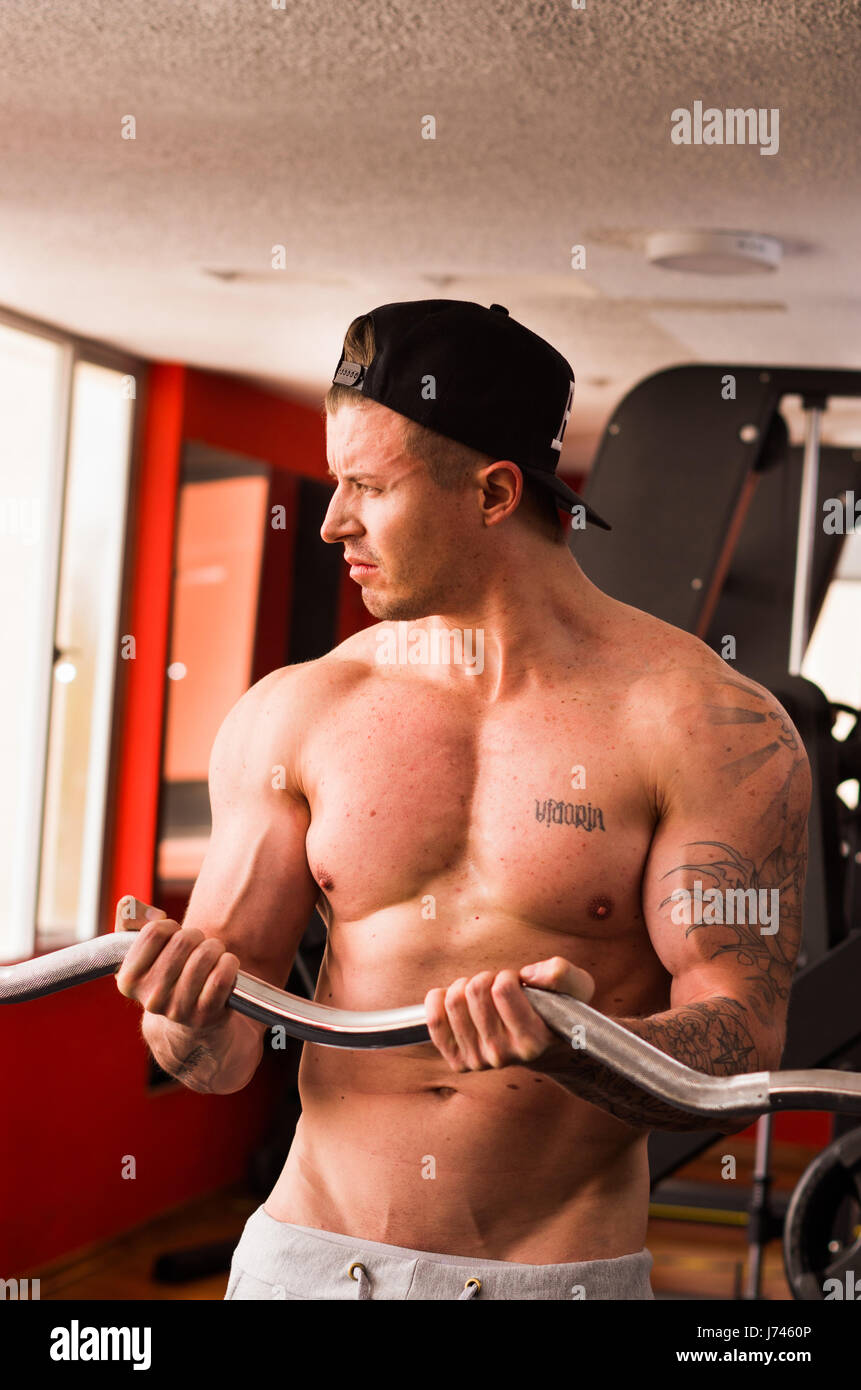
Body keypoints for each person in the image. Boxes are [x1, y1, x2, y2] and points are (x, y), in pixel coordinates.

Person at [117, 300, 811, 1300]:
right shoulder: (296, 713)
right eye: (331, 480)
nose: (330, 520)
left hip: (552, 1279)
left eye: (367, 486)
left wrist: (584, 1043)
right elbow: (218, 1055)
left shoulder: (709, 726)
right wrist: (180, 1018)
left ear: (492, 492)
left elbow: (745, 1041)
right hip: (305, 1261)